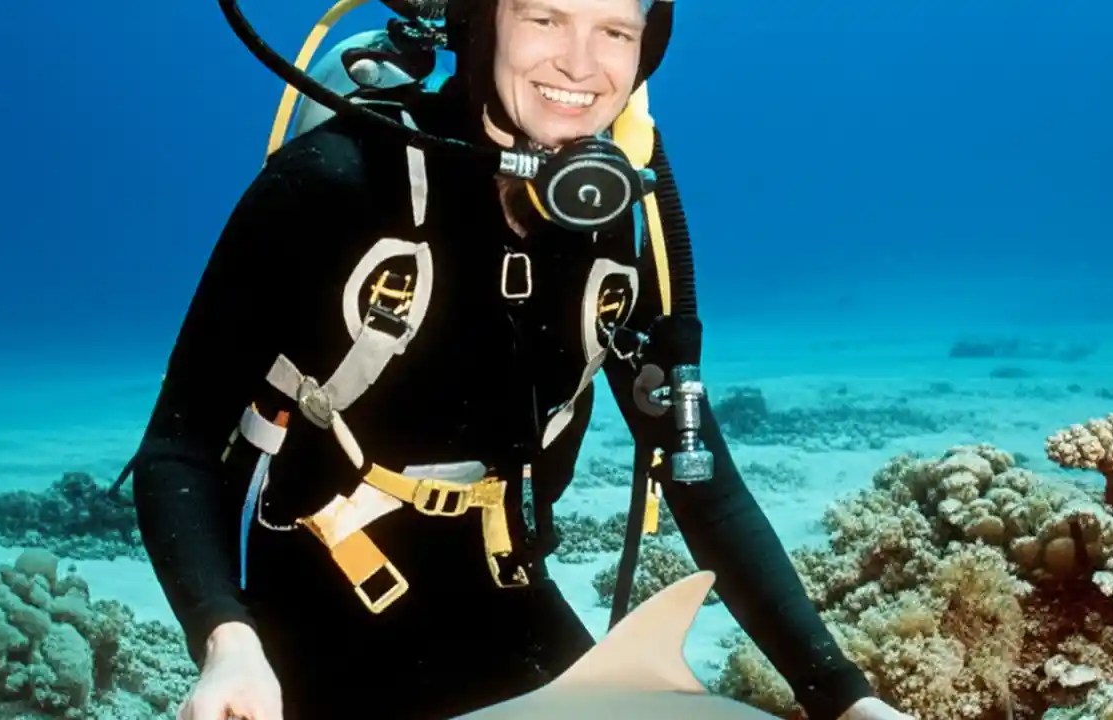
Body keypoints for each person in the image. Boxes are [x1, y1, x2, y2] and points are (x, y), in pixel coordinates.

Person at [126, 0, 915, 718]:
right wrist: (226, 643)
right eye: (546, 18)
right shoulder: (332, 184)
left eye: (615, 32)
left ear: (648, 53)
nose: (579, 63)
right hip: (304, 608)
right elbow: (177, 450)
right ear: (481, 23)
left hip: (502, 589)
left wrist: (843, 698)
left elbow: (700, 478)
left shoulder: (611, 228)